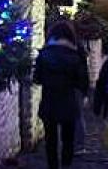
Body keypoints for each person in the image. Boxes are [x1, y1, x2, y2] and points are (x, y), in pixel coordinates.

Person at [33, 21, 90, 169]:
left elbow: (37, 79)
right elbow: (82, 80)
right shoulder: (75, 55)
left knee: (50, 139)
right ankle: (66, 164)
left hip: (49, 100)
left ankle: (52, 165)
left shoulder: (44, 54)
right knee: (68, 138)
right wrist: (84, 94)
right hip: (68, 101)